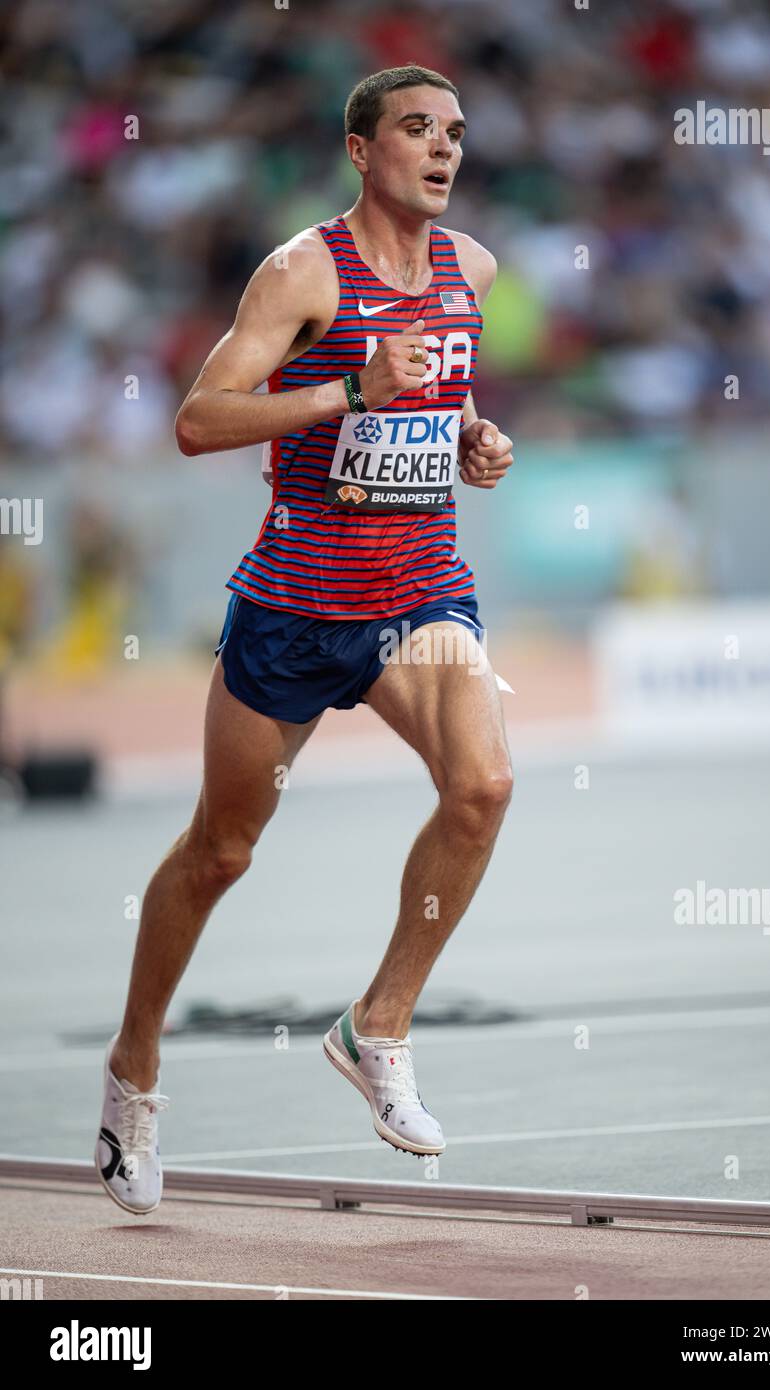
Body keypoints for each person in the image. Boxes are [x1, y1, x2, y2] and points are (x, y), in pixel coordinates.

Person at [96, 64, 515, 1214]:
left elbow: (443, 406)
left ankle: (377, 1027)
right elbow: (196, 420)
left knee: (481, 786)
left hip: (417, 593)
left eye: (456, 133)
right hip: (292, 606)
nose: (443, 149)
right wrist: (345, 396)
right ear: (359, 149)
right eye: (418, 129)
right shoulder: (299, 271)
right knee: (220, 851)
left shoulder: (469, 269)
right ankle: (133, 1071)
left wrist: (475, 440)